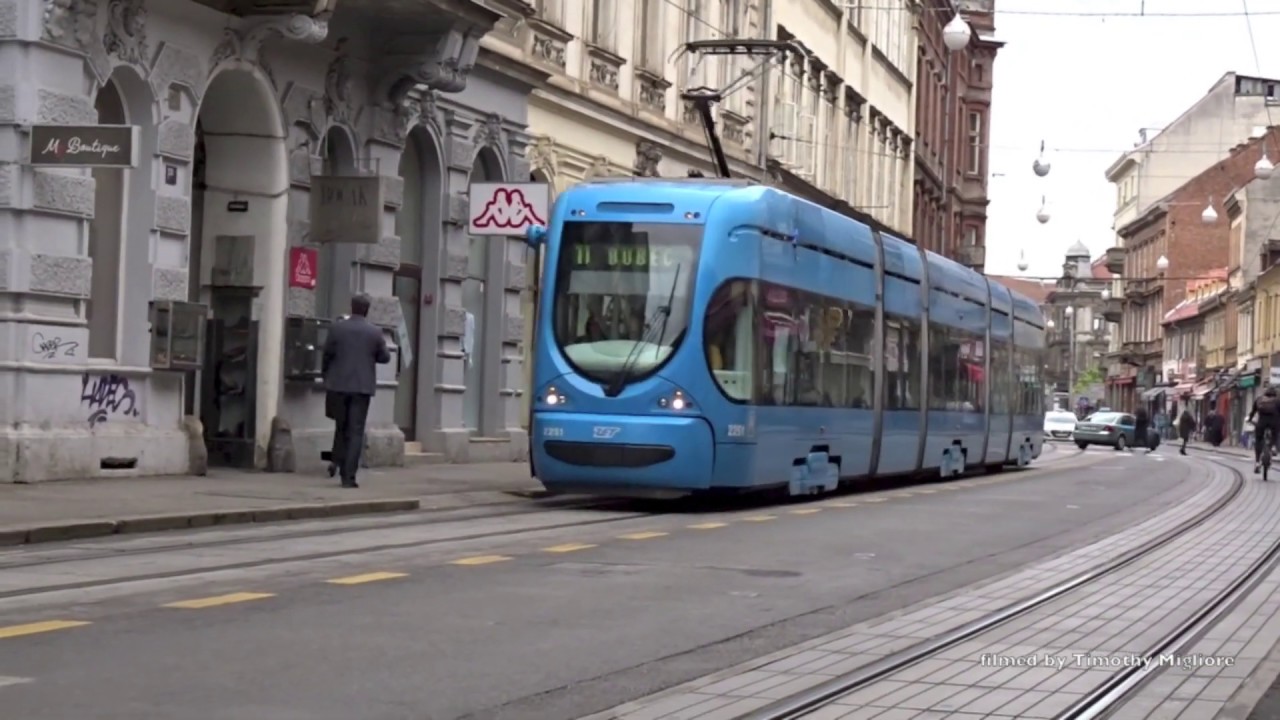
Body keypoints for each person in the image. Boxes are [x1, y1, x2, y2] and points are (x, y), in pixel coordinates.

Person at [322, 294, 391, 488]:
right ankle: (348, 476)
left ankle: (337, 462)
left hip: (338, 386)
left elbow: (327, 354)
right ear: (367, 310)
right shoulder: (375, 332)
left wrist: (326, 376)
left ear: (352, 307)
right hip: (361, 388)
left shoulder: (337, 328)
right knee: (356, 432)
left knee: (341, 428)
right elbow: (385, 357)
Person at [1248, 386, 1280, 473]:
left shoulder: (1259, 399)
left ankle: (1258, 462)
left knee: (1258, 439)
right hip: (1274, 422)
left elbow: (1253, 412)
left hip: (1261, 422)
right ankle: (1274, 447)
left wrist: (1250, 419)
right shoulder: (1277, 401)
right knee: (1276, 435)